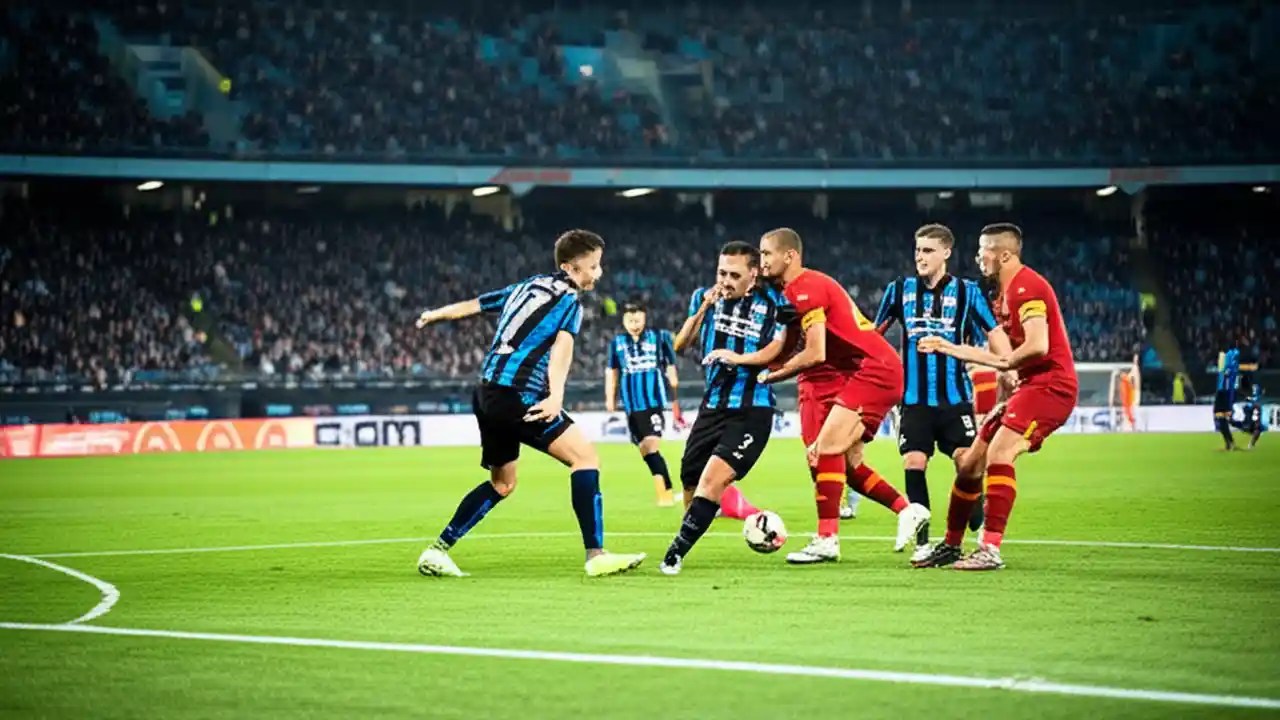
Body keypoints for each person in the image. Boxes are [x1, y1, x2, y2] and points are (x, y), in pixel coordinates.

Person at [413, 229, 646, 578]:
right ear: (569, 268)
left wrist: (434, 314)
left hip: (486, 392)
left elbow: (474, 306)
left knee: (503, 484)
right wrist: (556, 397)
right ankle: (596, 554)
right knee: (584, 458)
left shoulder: (526, 286)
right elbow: (562, 350)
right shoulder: (568, 301)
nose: (598, 273)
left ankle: (438, 550)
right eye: (593, 266)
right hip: (518, 395)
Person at [758, 228, 929, 565]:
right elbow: (791, 346)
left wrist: (769, 376)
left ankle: (827, 539)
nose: (762, 261)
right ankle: (908, 510)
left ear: (789, 255)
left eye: (766, 254)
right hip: (871, 370)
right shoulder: (795, 291)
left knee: (825, 449)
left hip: (873, 370)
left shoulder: (803, 287)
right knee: (848, 465)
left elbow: (816, 352)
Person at [915, 223, 1078, 570]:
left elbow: (1038, 346)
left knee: (1001, 453)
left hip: (1051, 387)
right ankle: (952, 545)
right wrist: (1006, 391)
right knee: (971, 465)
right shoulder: (1002, 293)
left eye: (984, 249)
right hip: (1029, 387)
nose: (978, 256)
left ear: (1004, 254)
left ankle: (989, 549)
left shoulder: (1027, 287)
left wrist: (963, 352)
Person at [874, 224, 1009, 561]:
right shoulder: (898, 290)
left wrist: (1010, 364)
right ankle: (922, 542)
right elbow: (873, 335)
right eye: (918, 250)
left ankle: (976, 524)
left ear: (946, 253)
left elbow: (994, 332)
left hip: (956, 399)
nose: (920, 257)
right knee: (914, 461)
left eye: (928, 250)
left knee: (967, 463)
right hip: (914, 400)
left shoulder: (968, 292)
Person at [659, 241, 793, 575]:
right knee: (689, 477)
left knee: (710, 482)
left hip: (752, 409)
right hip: (712, 406)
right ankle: (693, 526)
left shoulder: (774, 303)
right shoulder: (705, 297)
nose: (726, 280)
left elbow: (775, 351)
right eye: (722, 272)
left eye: (735, 274)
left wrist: (737, 358)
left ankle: (674, 554)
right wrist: (703, 307)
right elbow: (679, 344)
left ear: (753, 273)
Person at [605, 303, 682, 506]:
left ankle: (665, 494)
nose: (634, 324)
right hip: (631, 406)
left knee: (651, 445)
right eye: (630, 320)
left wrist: (674, 394)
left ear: (645, 318)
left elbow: (671, 366)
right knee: (645, 450)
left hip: (653, 402)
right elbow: (612, 372)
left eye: (637, 320)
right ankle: (664, 490)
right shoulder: (617, 343)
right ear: (624, 321)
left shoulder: (660, 338)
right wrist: (610, 400)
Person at [1213, 345, 1257, 450]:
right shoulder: (1234, 366)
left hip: (1223, 393)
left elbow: (1225, 373)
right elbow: (1241, 367)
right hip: (1228, 394)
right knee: (1222, 419)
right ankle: (1230, 443)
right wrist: (1251, 367)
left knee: (1220, 418)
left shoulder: (1227, 365)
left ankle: (1230, 443)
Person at [1228, 382, 1267, 450]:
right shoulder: (1255, 400)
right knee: (1257, 428)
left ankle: (1232, 442)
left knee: (1235, 422)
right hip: (1250, 418)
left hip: (1246, 418)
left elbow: (1248, 399)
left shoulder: (1249, 398)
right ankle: (1251, 444)